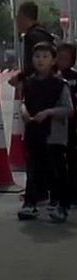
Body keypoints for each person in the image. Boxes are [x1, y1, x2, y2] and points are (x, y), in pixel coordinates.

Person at [18, 41, 72, 222]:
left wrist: (49, 112)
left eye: (45, 57)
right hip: (34, 132)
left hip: (54, 135)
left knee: (57, 171)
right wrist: (24, 112)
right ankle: (30, 203)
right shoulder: (30, 82)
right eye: (37, 56)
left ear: (53, 60)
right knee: (33, 170)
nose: (40, 60)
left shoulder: (59, 85)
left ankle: (61, 205)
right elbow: (24, 102)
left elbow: (68, 109)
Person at [9, 1, 55, 87]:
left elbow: (33, 66)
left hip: (38, 86)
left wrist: (20, 78)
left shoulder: (32, 36)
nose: (17, 22)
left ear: (23, 17)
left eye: (18, 18)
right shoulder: (43, 33)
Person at [59, 42, 77, 213]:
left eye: (66, 58)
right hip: (56, 125)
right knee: (57, 161)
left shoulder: (74, 78)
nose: (62, 61)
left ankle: (72, 193)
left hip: (72, 125)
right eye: (59, 57)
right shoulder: (53, 77)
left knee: (72, 159)